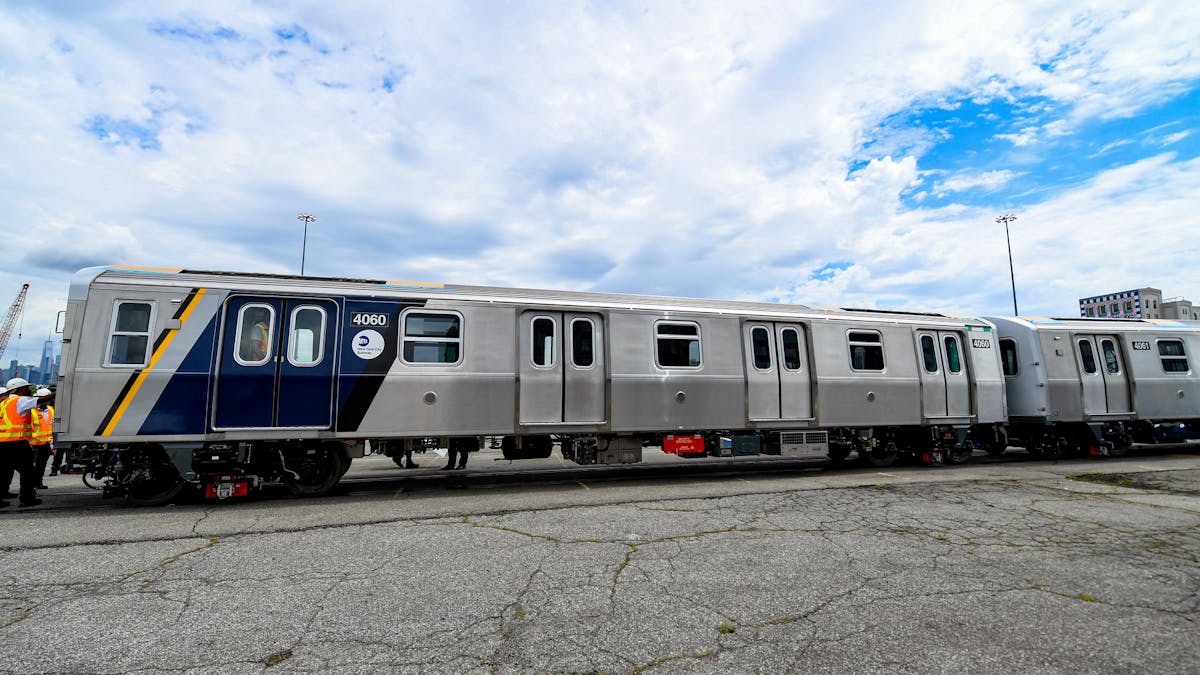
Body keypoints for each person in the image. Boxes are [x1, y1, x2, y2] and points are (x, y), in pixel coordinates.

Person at [0, 378, 54, 507]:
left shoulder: (4, 403)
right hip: (17, 444)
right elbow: (40, 400)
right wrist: (63, 391)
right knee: (27, 472)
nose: (29, 390)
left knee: (2, 472)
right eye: (27, 388)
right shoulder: (20, 400)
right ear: (19, 389)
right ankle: (27, 499)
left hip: (2, 444)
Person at [30, 388, 54, 489]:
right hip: (34, 444)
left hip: (46, 443)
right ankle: (31, 484)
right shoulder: (31, 411)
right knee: (31, 466)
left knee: (41, 465)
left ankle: (38, 482)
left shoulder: (51, 410)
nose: (47, 401)